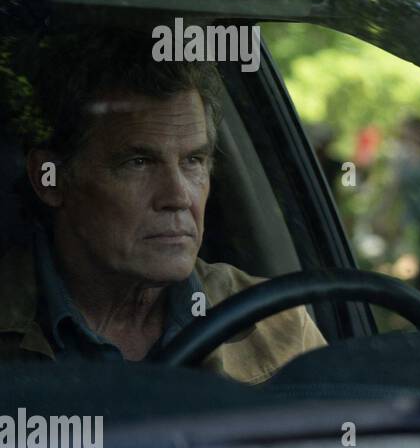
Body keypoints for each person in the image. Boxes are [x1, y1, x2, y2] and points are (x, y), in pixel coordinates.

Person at [0, 34, 325, 383]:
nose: (178, 196)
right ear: (50, 179)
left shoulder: (276, 324)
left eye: (193, 161)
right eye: (138, 162)